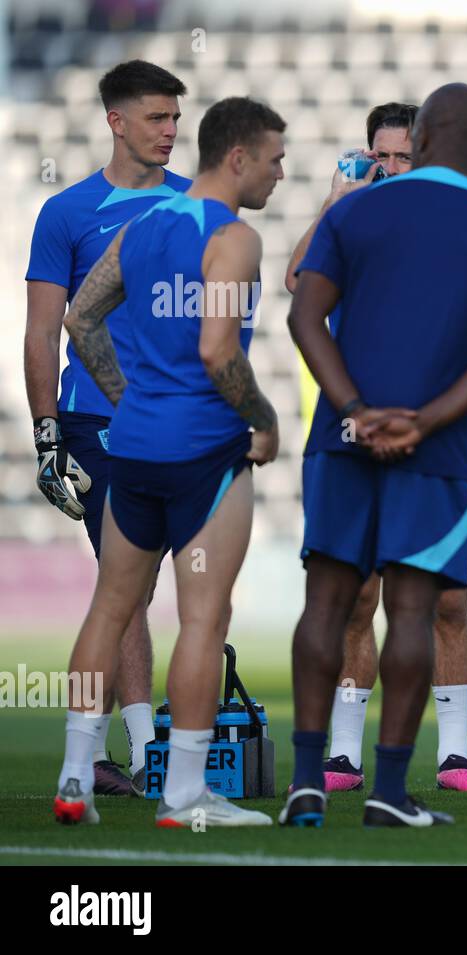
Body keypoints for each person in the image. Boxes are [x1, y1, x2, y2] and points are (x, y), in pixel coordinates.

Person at [280, 82, 467, 828]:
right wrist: (422, 421)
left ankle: (307, 780)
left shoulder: (355, 209)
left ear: (419, 140)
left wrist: (357, 411)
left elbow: (303, 312)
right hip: (436, 451)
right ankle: (390, 793)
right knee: (414, 613)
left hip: (340, 440)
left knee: (327, 602)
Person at [53, 96, 287, 828]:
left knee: (109, 606)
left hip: (137, 451)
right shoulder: (235, 238)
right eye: (276, 160)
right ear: (239, 157)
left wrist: (127, 400)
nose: (282, 174)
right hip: (207, 456)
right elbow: (219, 349)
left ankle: (72, 779)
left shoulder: (143, 225)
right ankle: (184, 795)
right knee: (202, 619)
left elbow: (80, 317)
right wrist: (264, 419)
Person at [25, 59, 190, 797]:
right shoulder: (67, 213)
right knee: (126, 583)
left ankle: (129, 751)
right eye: (157, 117)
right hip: (100, 423)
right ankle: (137, 749)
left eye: (176, 118)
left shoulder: (198, 205)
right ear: (116, 122)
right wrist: (48, 433)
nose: (171, 131)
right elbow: (40, 332)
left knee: (161, 586)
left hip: (183, 428)